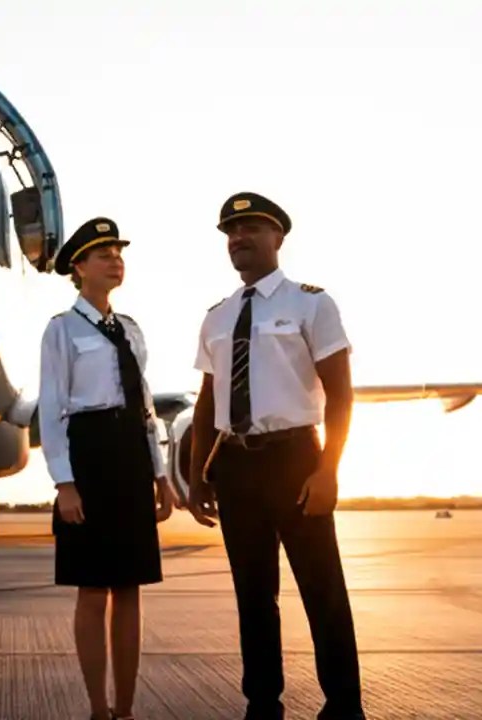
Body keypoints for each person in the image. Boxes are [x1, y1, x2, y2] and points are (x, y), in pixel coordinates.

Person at [185, 192, 365, 719]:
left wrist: (328, 468)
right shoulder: (216, 317)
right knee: (254, 596)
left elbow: (341, 392)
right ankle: (262, 704)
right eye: (230, 232)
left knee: (322, 589)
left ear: (277, 238)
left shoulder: (312, 303)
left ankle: (343, 706)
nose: (238, 238)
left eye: (250, 228)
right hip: (236, 467)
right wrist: (198, 478)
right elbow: (206, 402)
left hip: (295, 460)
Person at [38, 216, 182, 720]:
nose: (116, 259)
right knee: (93, 589)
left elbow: (144, 408)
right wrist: (64, 483)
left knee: (130, 588)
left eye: (119, 252)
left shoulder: (131, 331)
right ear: (79, 267)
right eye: (104, 254)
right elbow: (52, 410)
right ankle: (98, 707)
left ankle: (126, 708)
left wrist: (160, 475)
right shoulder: (61, 331)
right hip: (90, 455)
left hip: (130, 458)